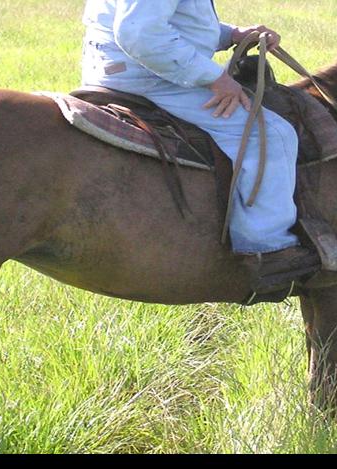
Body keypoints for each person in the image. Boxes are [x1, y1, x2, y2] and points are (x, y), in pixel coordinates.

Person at [81, 0, 319, 295]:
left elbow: (176, 20)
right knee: (270, 134)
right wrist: (214, 77)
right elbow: (140, 33)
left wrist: (231, 34)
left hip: (127, 67)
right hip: (150, 77)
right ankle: (268, 250)